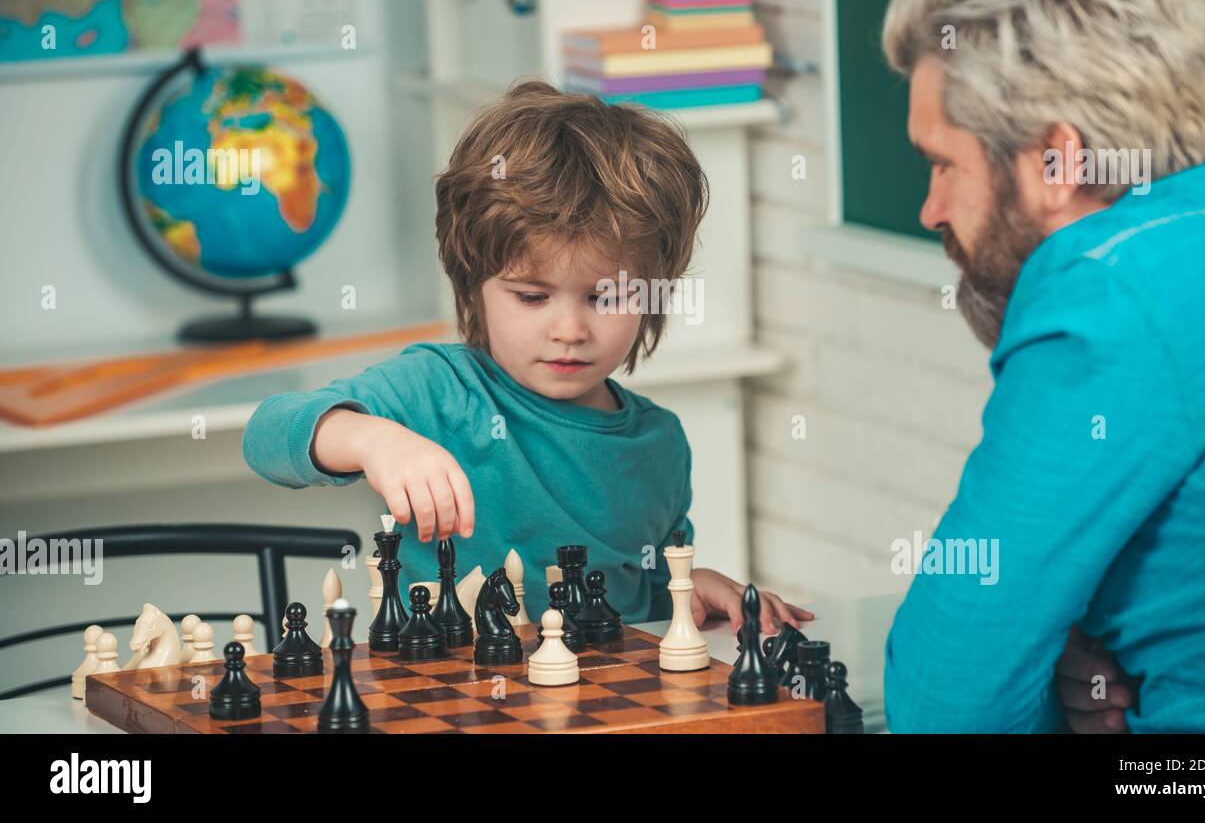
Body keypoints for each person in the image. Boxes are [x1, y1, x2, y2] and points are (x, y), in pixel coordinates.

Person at [879, 0, 1205, 731]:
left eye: (943, 164)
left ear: (1056, 159)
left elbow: (946, 699)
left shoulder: (1108, 292)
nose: (930, 208)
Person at [243, 79, 812, 634]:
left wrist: (690, 585)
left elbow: (635, 590)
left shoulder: (660, 444)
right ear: (474, 286)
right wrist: (370, 440)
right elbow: (267, 436)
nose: (569, 329)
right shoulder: (437, 392)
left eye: (606, 296)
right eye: (532, 296)